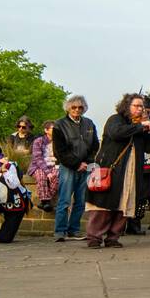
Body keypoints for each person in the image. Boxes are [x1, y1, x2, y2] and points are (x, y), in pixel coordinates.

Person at [85, 94, 150, 249]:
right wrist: (141, 126)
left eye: (141, 107)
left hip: (131, 170)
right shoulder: (116, 119)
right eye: (136, 106)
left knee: (125, 204)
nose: (140, 109)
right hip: (112, 169)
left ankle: (113, 237)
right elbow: (117, 133)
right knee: (103, 206)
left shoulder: (140, 126)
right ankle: (94, 237)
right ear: (127, 106)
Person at [51, 94, 98, 242]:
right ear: (68, 108)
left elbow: (95, 146)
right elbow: (60, 151)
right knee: (64, 200)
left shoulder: (89, 124)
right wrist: (77, 164)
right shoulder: (59, 125)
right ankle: (60, 231)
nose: (77, 110)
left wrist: (87, 162)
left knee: (80, 201)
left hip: (86, 167)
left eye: (80, 107)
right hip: (68, 167)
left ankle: (74, 230)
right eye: (74, 107)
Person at [28, 120, 59, 212]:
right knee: (41, 175)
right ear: (46, 130)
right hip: (38, 166)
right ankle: (46, 202)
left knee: (57, 177)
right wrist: (48, 172)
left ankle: (45, 201)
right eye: (53, 129)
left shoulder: (59, 142)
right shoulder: (39, 141)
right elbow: (38, 158)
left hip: (55, 165)